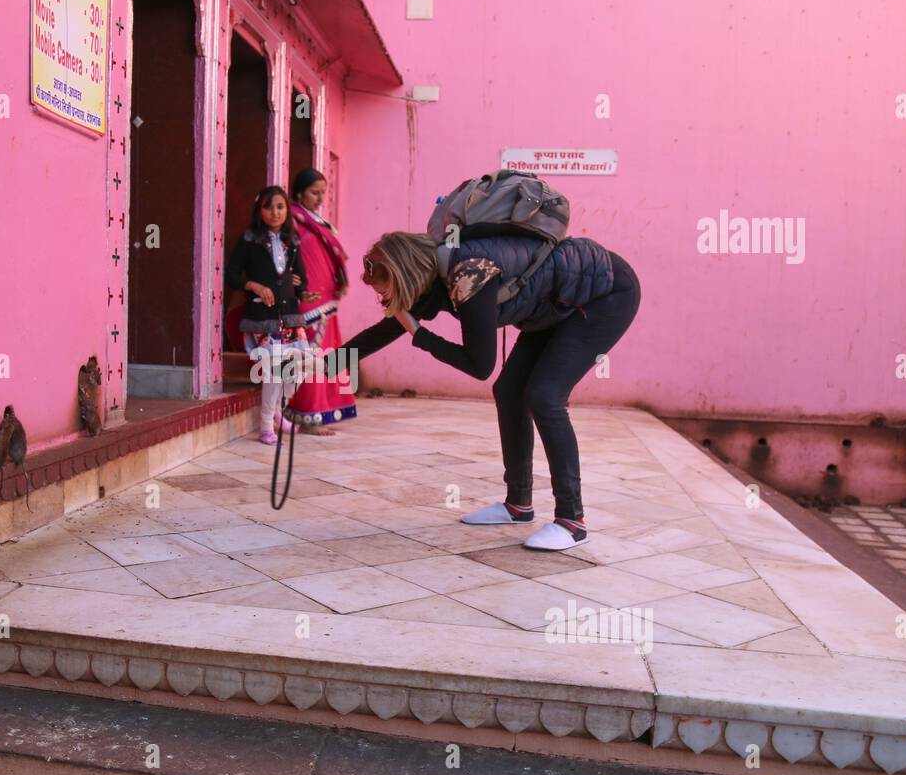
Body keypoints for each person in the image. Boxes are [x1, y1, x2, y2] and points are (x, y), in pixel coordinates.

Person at [336, 229, 641, 550]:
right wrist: (321, 368)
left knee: (545, 395)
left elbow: (479, 365)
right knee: (509, 390)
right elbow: (382, 332)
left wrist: (418, 333)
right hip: (552, 305)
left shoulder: (469, 276)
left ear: (402, 274)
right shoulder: (431, 279)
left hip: (605, 293)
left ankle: (572, 520)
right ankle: (519, 504)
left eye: (381, 289)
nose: (381, 299)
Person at [228, 186, 310, 445]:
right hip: (262, 317)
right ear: (259, 210)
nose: (274, 213)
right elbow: (232, 276)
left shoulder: (292, 242)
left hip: (290, 316)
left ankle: (277, 410)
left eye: (280, 207)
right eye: (268, 207)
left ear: (287, 210)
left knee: (298, 369)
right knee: (275, 371)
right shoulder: (249, 240)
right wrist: (254, 286)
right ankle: (266, 426)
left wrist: (301, 288)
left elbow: (302, 280)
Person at [284, 168, 356, 435]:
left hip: (326, 300)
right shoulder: (292, 220)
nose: (320, 198)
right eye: (314, 192)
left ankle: (324, 412)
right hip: (309, 303)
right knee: (312, 357)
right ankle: (308, 418)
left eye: (323, 192)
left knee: (329, 355)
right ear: (299, 192)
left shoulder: (312, 219)